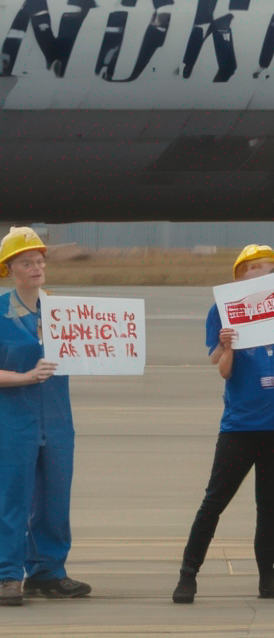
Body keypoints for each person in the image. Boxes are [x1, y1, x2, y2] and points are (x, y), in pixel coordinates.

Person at [172, 245, 274, 604]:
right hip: (241, 427)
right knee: (214, 501)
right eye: (258, 269)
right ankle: (188, 574)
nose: (266, 275)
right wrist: (228, 345)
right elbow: (223, 370)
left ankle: (269, 577)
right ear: (242, 275)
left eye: (271, 269)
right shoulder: (221, 312)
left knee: (269, 504)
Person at [0, 228, 91, 607]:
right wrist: (23, 377)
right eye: (27, 262)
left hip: (56, 418)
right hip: (13, 420)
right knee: (12, 497)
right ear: (9, 269)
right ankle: (7, 574)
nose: (37, 267)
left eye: (40, 261)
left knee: (55, 497)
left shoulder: (63, 312)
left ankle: (48, 570)